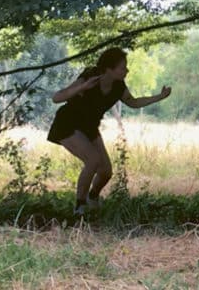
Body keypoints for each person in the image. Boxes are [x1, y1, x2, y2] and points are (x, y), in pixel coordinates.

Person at [47, 47, 171, 215]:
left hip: (89, 126)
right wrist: (81, 87)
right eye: (123, 67)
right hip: (68, 123)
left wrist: (160, 96)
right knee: (93, 160)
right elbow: (57, 97)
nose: (127, 70)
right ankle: (80, 206)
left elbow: (133, 103)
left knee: (105, 172)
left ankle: (93, 197)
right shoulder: (90, 76)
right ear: (109, 69)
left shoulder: (118, 86)